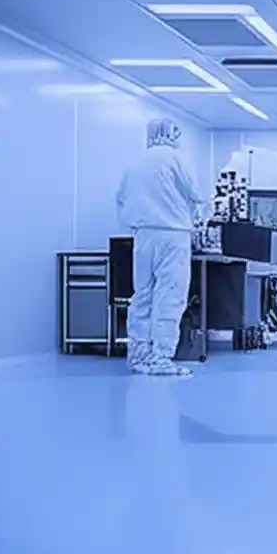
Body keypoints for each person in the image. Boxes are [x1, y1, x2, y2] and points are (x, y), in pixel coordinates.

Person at [116, 118, 207, 376]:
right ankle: (161, 358)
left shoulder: (135, 164)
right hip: (173, 236)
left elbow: (121, 200)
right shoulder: (176, 159)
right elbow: (196, 194)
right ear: (172, 133)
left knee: (142, 295)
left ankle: (138, 356)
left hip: (143, 236)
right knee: (170, 296)